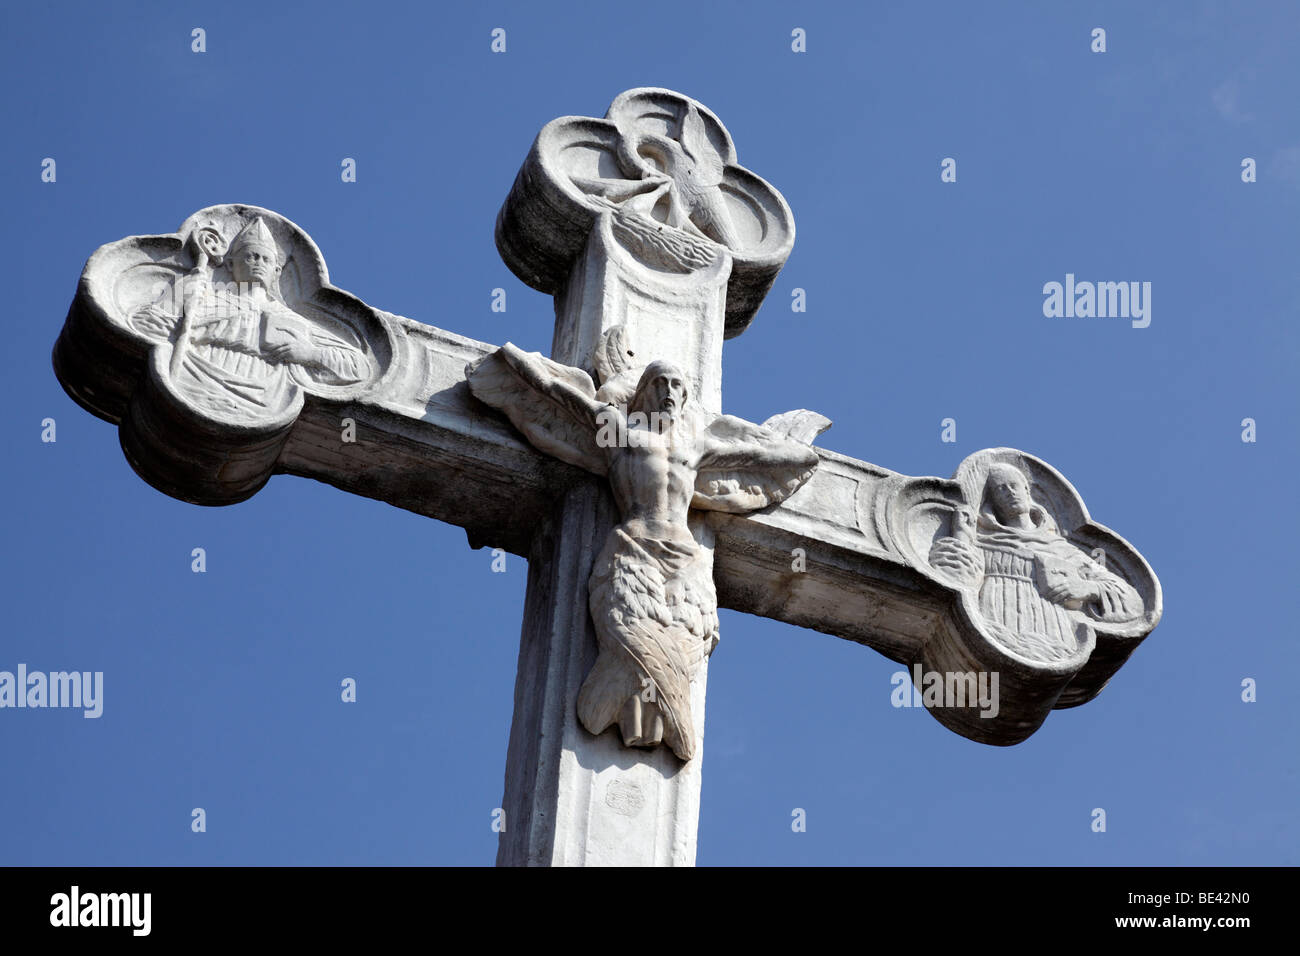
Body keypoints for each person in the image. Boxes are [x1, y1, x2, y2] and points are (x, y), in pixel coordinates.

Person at [467, 345, 818, 759]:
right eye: (660, 383)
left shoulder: (697, 449)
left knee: (688, 642)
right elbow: (558, 398)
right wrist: (514, 364)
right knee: (631, 633)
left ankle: (649, 705)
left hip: (686, 562)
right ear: (644, 391)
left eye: (677, 386)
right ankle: (635, 708)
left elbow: (761, 458)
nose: (669, 392)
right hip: (634, 547)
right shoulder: (620, 433)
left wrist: (799, 450)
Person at [132, 217, 366, 420]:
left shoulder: (290, 320)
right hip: (195, 379)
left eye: (265, 259)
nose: (258, 263)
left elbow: (360, 367)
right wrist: (178, 299)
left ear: (277, 272)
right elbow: (144, 324)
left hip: (266, 395)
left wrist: (310, 353)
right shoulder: (203, 297)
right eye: (251, 257)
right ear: (231, 264)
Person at [928, 462, 1141, 663]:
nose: (1009, 492)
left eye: (1014, 486)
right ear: (991, 502)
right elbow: (955, 580)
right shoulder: (983, 542)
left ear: (1027, 492)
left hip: (1053, 642)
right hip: (994, 630)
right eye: (1001, 489)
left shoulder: (1061, 549)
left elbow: (1133, 602)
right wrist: (961, 535)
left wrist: (1088, 588)